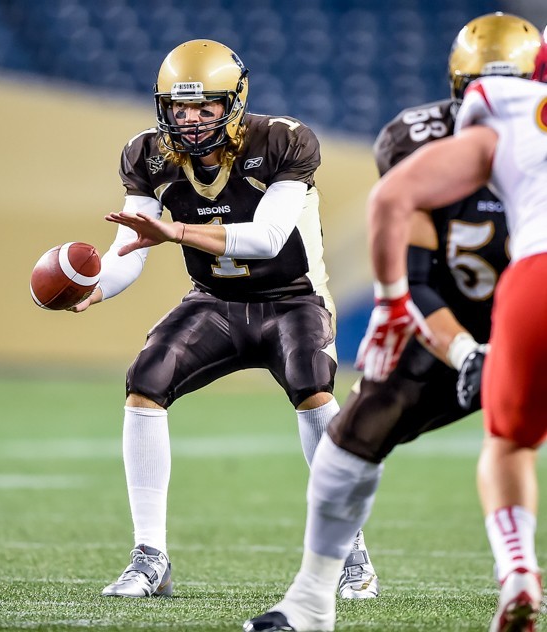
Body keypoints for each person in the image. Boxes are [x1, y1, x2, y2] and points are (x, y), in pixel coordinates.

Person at [242, 13, 543, 632]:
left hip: (512, 312)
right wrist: (465, 354)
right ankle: (311, 603)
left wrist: (393, 307)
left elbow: (399, 237)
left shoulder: (452, 136)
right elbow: (422, 275)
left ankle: (312, 603)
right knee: (351, 438)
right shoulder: (432, 137)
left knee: (355, 445)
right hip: (460, 322)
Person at [71, 39, 376, 600]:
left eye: (203, 107)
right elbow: (129, 249)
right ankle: (149, 556)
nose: (188, 122)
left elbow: (267, 238)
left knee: (313, 386)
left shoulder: (282, 141)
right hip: (214, 301)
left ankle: (349, 549)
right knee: (146, 382)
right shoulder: (148, 155)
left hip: (293, 297)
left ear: (233, 104)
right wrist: (93, 287)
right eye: (178, 109)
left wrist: (180, 232)